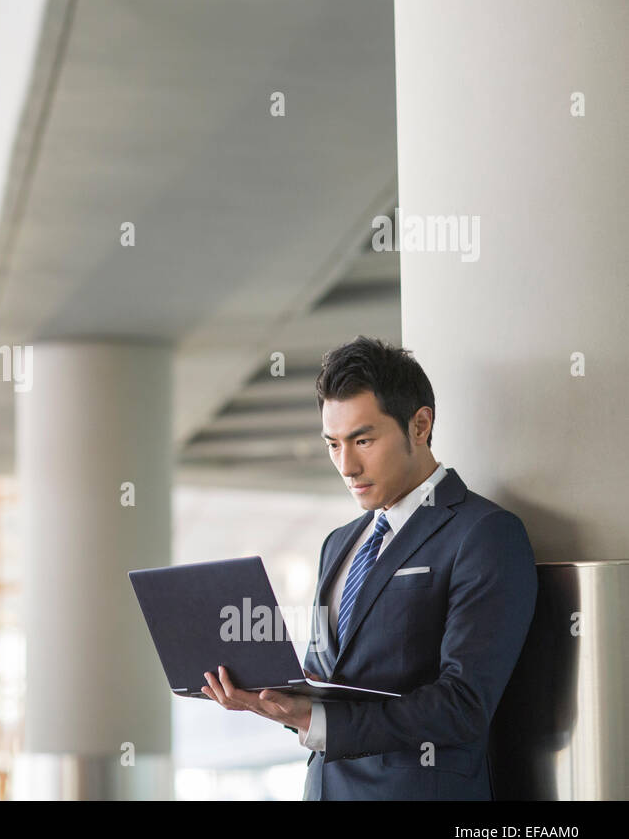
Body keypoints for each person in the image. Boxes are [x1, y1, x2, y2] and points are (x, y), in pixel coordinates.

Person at [199, 336, 536, 799]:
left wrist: (313, 718)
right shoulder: (338, 543)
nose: (346, 465)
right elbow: (330, 692)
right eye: (332, 444)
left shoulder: (484, 533)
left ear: (420, 425)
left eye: (363, 440)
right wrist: (274, 704)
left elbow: (463, 704)